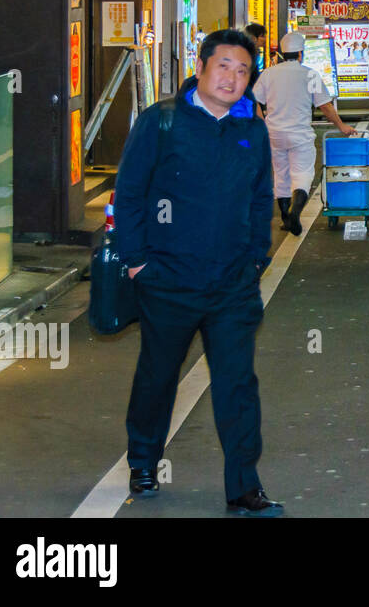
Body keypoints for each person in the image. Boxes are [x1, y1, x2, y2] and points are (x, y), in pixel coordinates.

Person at [115, 29, 282, 516]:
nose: (233, 78)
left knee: (237, 384)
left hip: (233, 284)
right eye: (224, 66)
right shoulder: (162, 122)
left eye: (243, 71)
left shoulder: (251, 128)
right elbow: (129, 194)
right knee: (157, 375)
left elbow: (259, 198)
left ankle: (243, 487)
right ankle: (144, 459)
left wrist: (256, 259)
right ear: (202, 66)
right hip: (167, 280)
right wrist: (138, 262)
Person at [252, 31, 356, 235]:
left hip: (274, 133)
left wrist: (261, 124)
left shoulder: (268, 73)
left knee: (281, 175)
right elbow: (325, 106)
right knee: (302, 174)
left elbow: (254, 101)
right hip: (299, 134)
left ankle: (285, 218)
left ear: (283, 53)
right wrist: (341, 126)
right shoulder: (310, 74)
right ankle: (295, 212)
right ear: (301, 54)